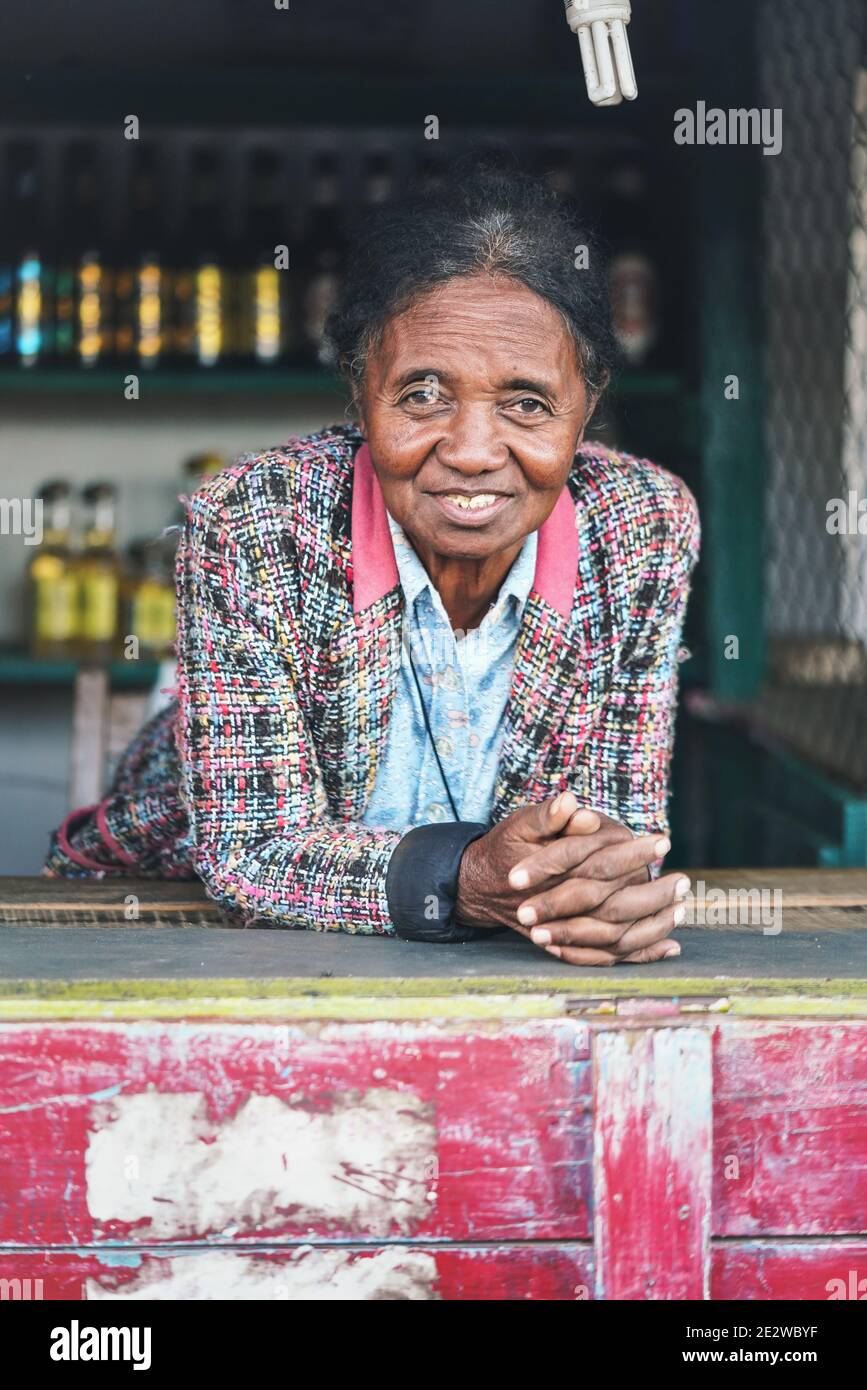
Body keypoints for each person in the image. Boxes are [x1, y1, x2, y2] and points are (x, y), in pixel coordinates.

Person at [45, 163, 700, 967]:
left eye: (527, 404)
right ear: (359, 395)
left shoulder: (639, 525)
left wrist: (603, 890)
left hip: (502, 954)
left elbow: (614, 830)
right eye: (422, 394)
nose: (470, 452)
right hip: (188, 924)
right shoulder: (256, 521)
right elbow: (251, 852)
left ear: (586, 406)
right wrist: (459, 876)